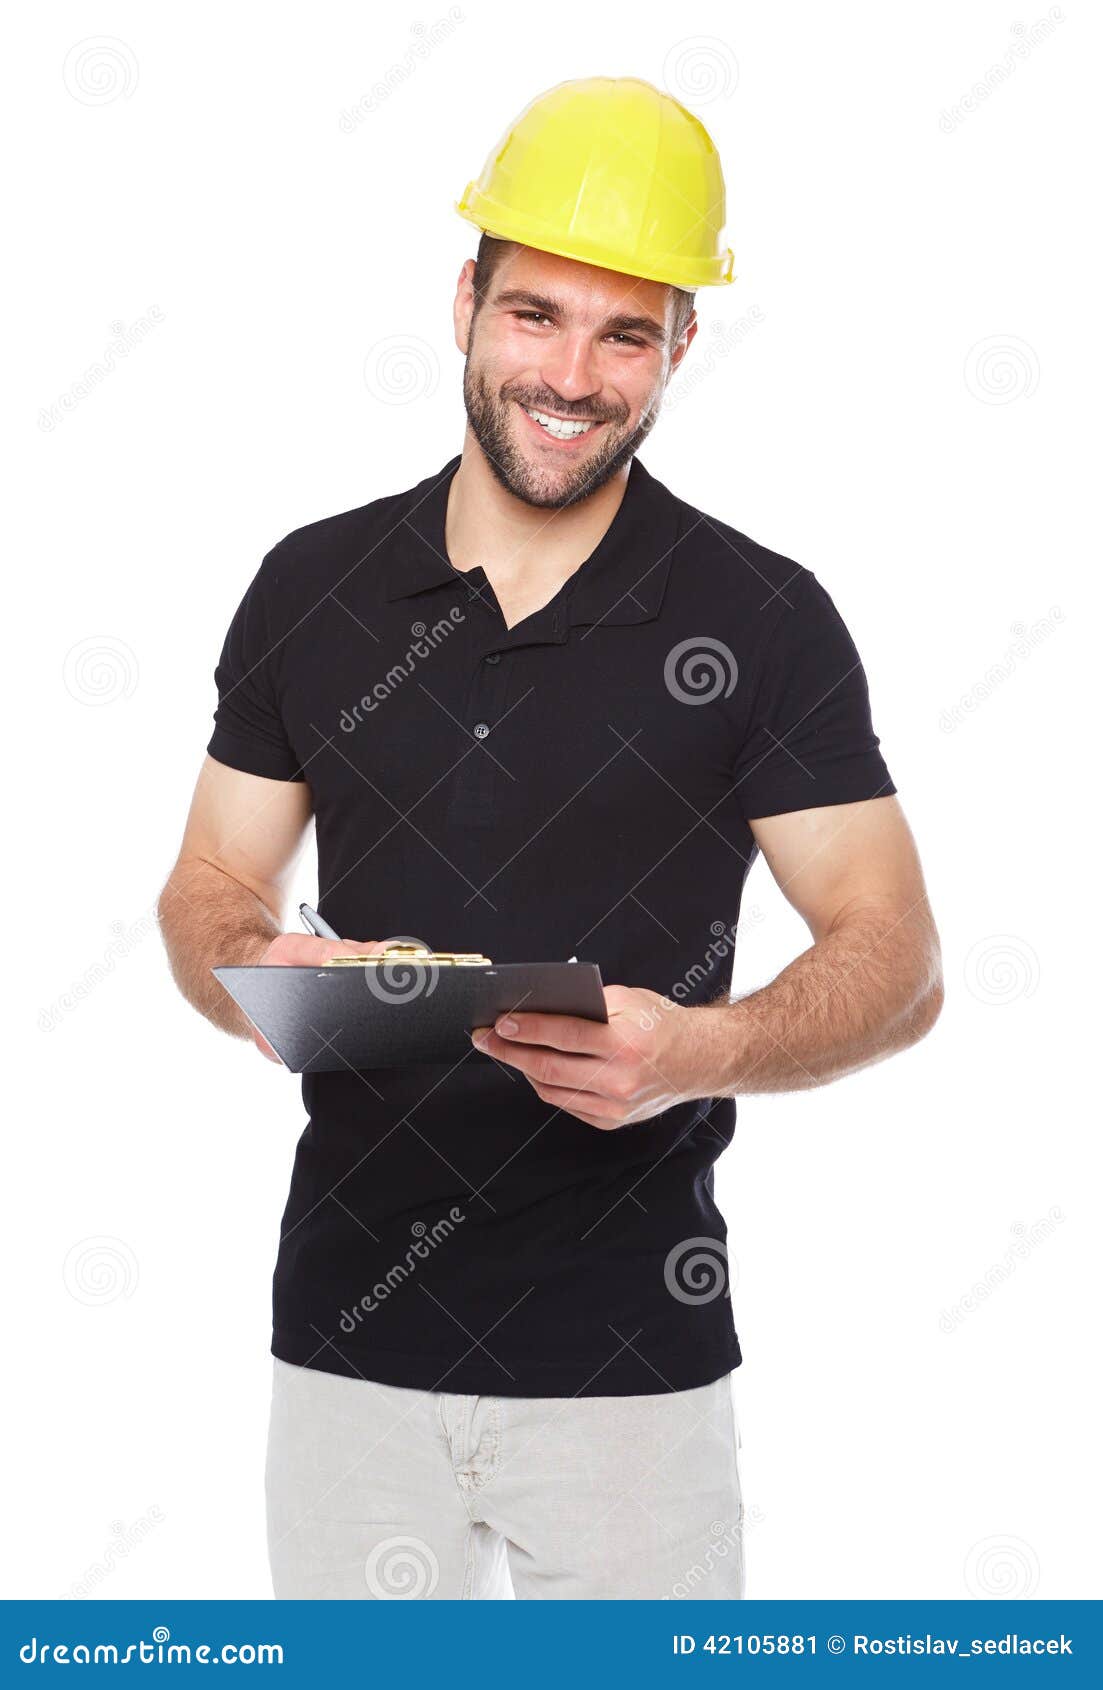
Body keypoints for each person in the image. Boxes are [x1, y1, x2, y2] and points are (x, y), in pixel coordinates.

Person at [158, 75, 943, 1601]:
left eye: (625, 332)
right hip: (348, 1356)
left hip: (632, 1374)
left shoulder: (761, 619)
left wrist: (694, 1050)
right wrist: (263, 967)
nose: (572, 375)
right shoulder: (310, 590)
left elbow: (896, 958)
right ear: (465, 302)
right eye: (535, 317)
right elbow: (208, 882)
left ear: (682, 345)